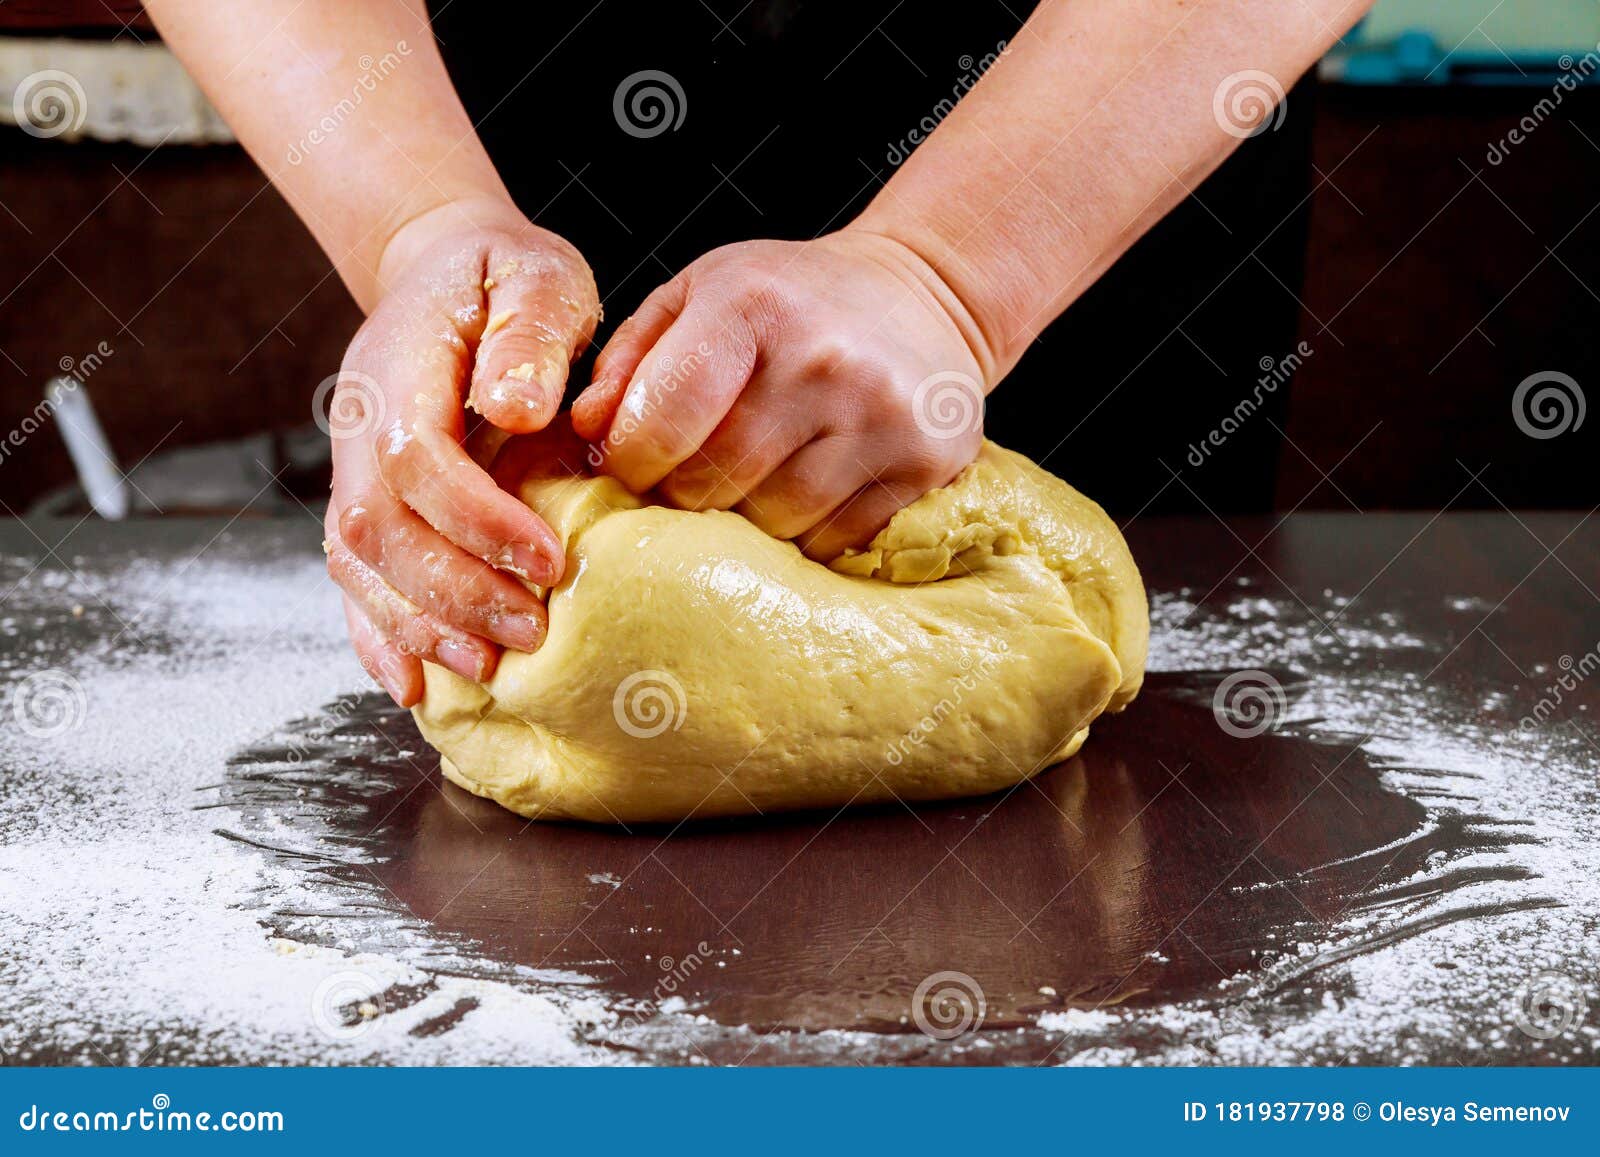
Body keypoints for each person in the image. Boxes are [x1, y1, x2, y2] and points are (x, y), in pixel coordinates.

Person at [144, 0, 1369, 706]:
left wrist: (949, 271)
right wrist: (422, 222)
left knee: (1133, 787)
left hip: (1099, 163)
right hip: (527, 133)